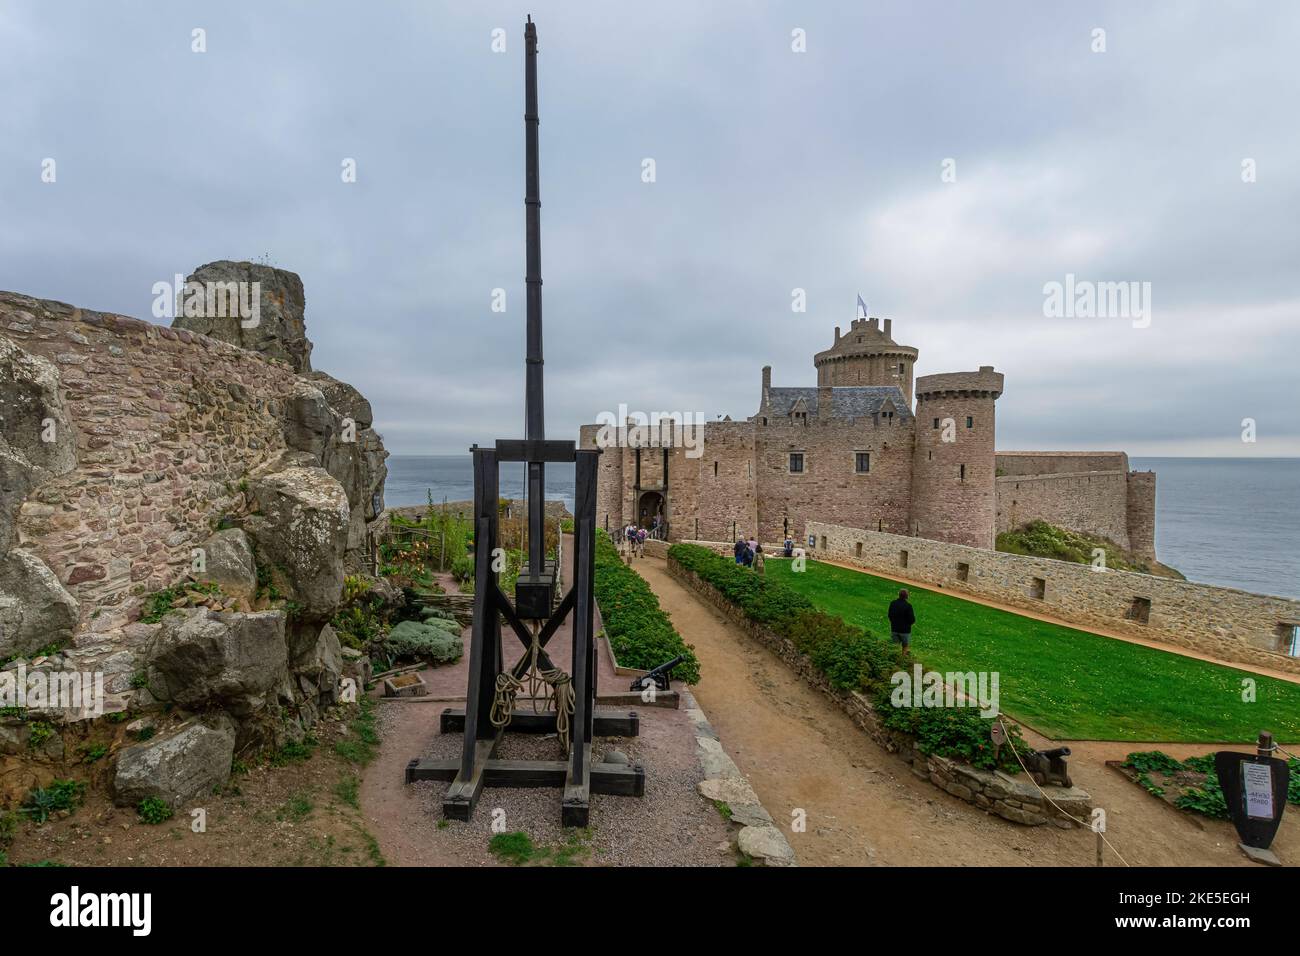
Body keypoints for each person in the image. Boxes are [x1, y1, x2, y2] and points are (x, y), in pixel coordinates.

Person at [888, 588, 915, 655]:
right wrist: (910, 623)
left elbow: (890, 615)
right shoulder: (908, 606)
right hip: (905, 630)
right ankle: (903, 660)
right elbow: (912, 619)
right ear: (907, 596)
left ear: (899, 595)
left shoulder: (893, 603)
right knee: (905, 646)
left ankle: (895, 658)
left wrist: (893, 622)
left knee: (895, 647)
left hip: (894, 628)